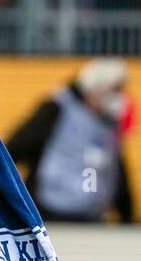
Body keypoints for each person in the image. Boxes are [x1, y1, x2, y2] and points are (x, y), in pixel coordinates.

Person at [7, 58, 133, 223]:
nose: (120, 97)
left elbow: (116, 170)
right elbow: (14, 150)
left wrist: (127, 217)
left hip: (91, 219)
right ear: (96, 89)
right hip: (47, 215)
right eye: (115, 90)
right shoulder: (56, 110)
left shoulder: (108, 123)